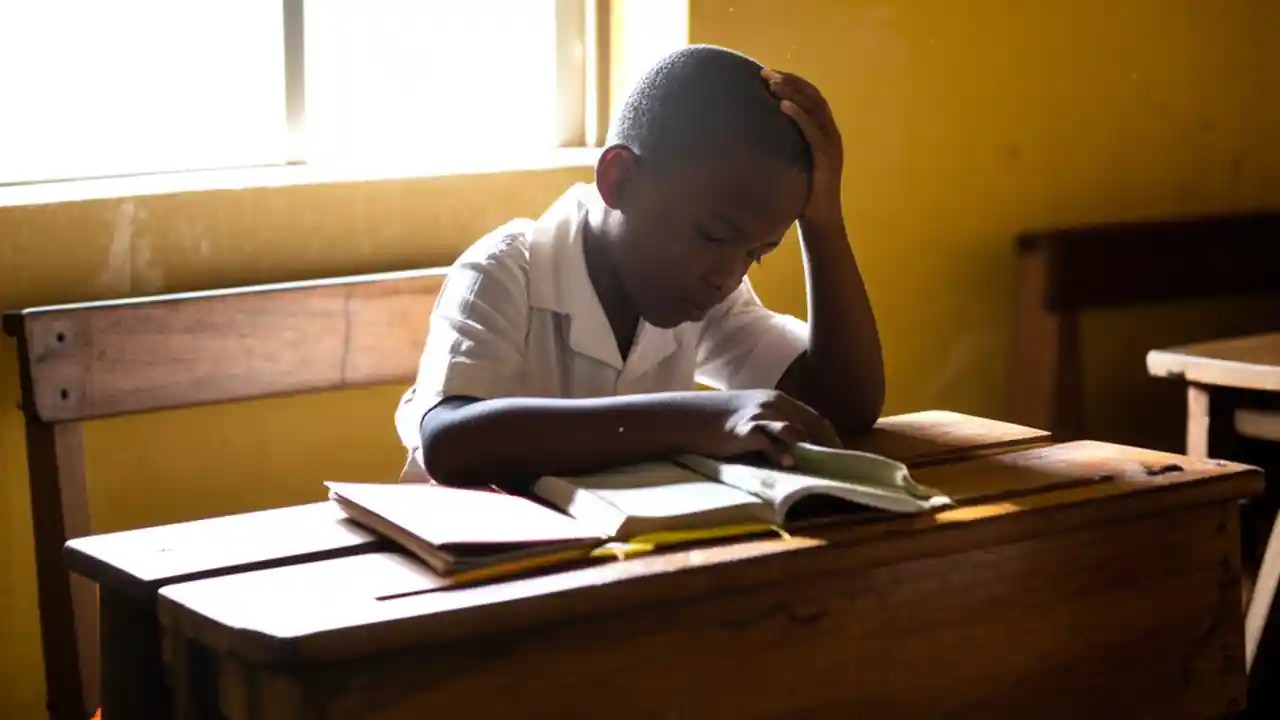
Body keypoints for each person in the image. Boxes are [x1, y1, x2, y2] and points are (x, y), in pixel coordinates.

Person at [394, 45, 883, 486]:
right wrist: (703, 418)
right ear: (620, 179)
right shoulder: (506, 270)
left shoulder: (704, 294)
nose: (728, 276)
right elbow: (449, 439)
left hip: (607, 566)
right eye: (712, 236)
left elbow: (844, 407)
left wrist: (823, 222)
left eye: (756, 255)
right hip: (463, 575)